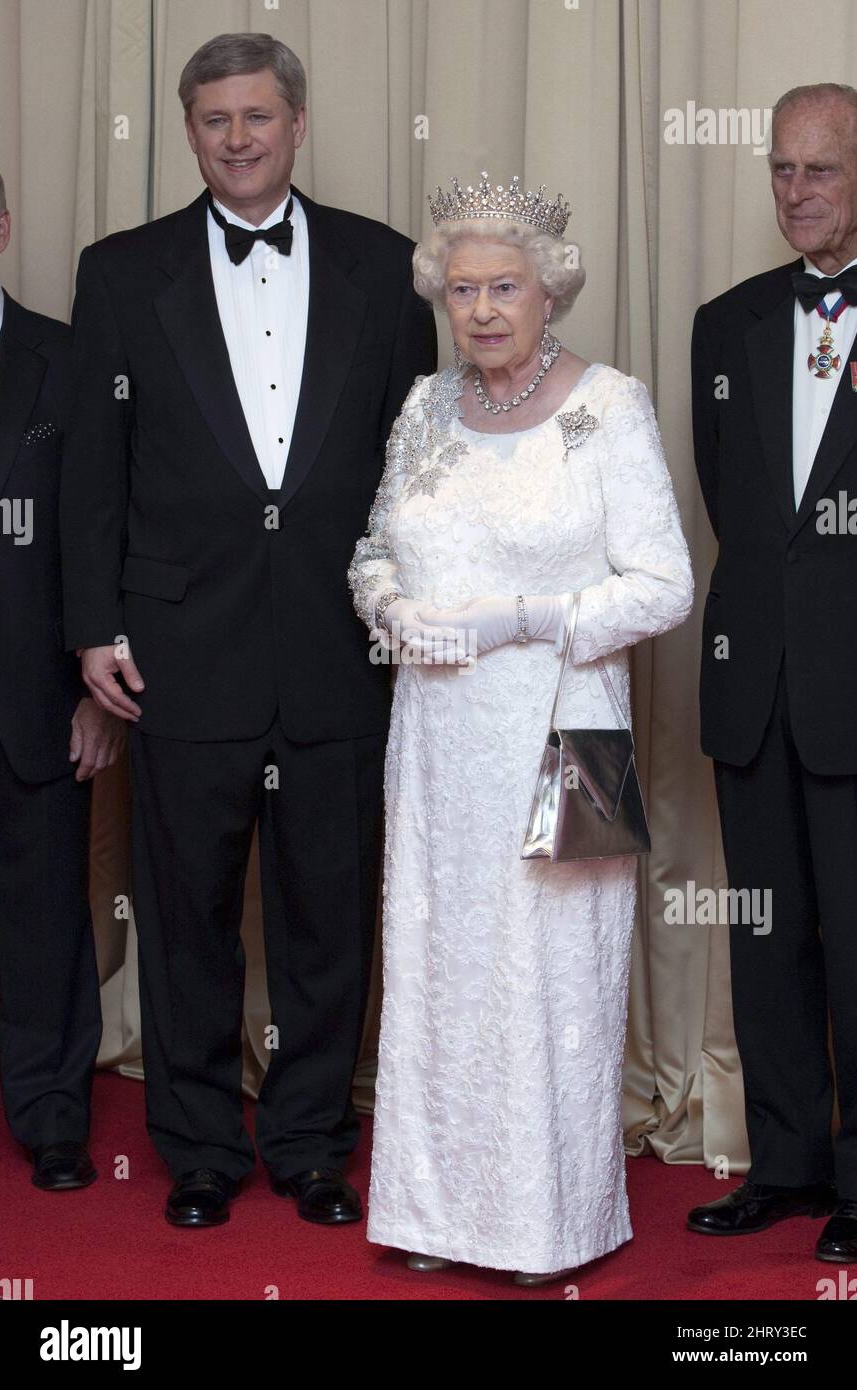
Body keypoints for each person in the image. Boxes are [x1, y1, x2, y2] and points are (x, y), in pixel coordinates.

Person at [59, 32, 436, 1228]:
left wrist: (409, 622)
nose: (237, 137)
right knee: (185, 915)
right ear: (188, 130)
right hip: (182, 649)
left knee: (330, 911)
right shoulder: (121, 272)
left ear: (298, 121)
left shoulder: (386, 269)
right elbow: (90, 475)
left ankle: (314, 1141)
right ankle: (202, 1148)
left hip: (338, 646)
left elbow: (414, 473)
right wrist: (91, 629)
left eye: (257, 116)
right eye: (214, 118)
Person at [348, 171, 693, 1283]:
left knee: (552, 984)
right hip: (440, 745)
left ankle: (552, 1229)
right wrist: (392, 608)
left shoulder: (611, 406)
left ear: (550, 291)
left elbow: (664, 586)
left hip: (565, 736)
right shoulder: (422, 408)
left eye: (504, 286)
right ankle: (438, 1218)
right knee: (443, 969)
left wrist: (525, 617)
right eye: (461, 291)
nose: (483, 309)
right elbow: (372, 553)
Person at [689, 82, 857, 1262]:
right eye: (782, 171)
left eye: (823, 171)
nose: (796, 194)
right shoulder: (726, 322)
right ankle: (786, 1165)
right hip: (754, 688)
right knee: (770, 939)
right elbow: (738, 514)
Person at [0, 166, 124, 1190]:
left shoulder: (67, 361)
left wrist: (96, 687)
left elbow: (103, 532)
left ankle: (50, 1114)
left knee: (44, 914)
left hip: (33, 701)